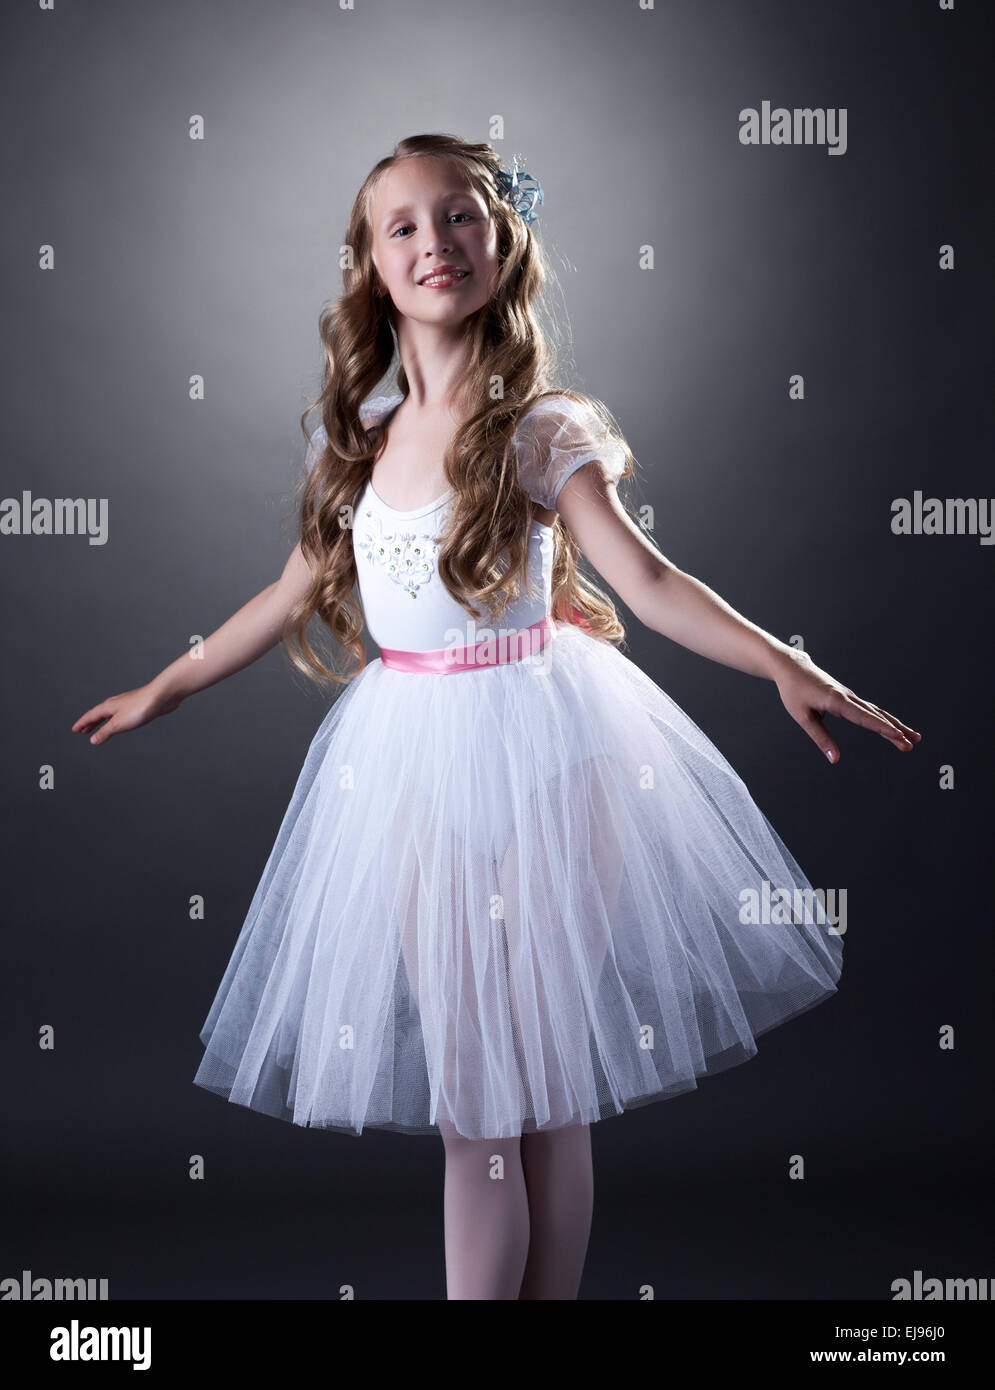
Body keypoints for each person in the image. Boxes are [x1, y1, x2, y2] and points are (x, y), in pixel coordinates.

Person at [72, 133, 921, 1301]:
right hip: (407, 759)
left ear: (498, 235)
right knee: (480, 1088)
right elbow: (289, 590)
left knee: (539, 1088)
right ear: (369, 264)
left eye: (461, 216)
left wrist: (784, 661)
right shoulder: (359, 432)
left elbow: (647, 580)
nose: (437, 244)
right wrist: (166, 685)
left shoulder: (535, 425)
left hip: (550, 750)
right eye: (404, 227)